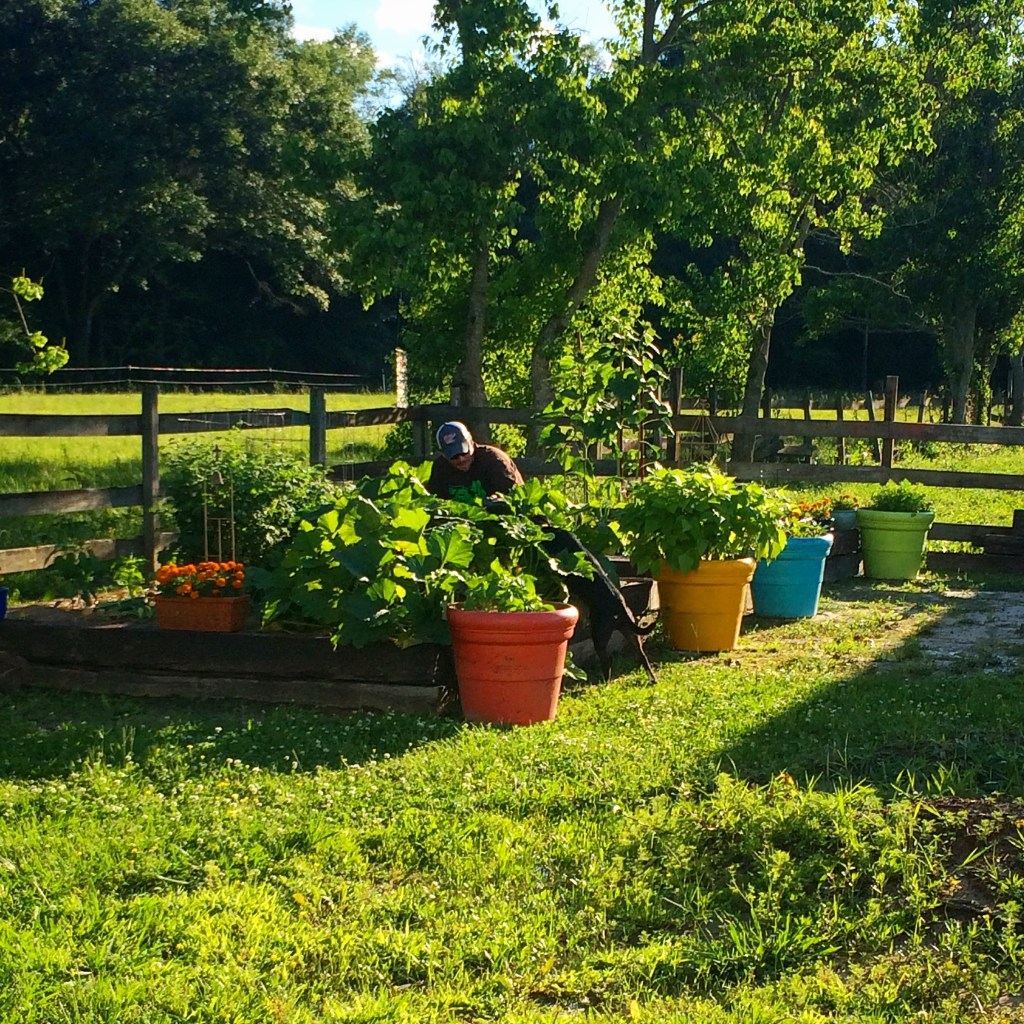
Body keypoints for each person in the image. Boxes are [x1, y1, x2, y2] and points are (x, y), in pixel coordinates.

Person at [427, 421, 523, 503]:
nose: (461, 459)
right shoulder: (440, 467)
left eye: (464, 452)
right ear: (443, 454)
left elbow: (513, 497)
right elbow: (435, 500)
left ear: (471, 441)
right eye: (454, 456)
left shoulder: (495, 461)